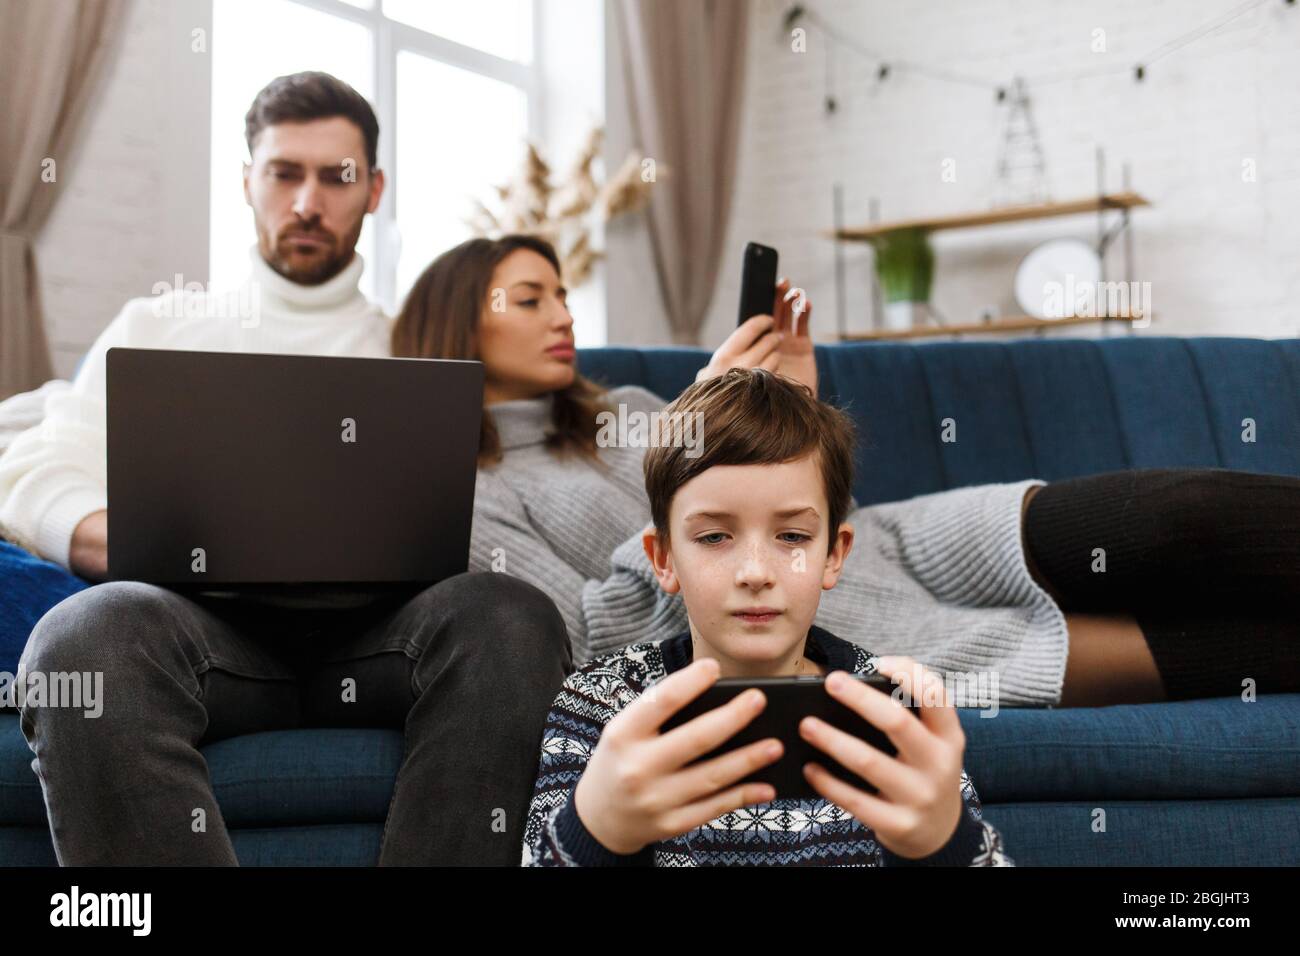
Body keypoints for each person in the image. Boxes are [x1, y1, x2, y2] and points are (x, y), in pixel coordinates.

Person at [0, 73, 571, 865]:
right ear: (246, 182)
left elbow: (538, 445)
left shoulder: (418, 347)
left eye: (335, 178)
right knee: (79, 635)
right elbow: (36, 464)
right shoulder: (161, 327)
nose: (308, 202)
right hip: (203, 640)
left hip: (382, 643)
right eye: (283, 173)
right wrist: (129, 542)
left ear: (373, 190)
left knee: (511, 617)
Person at [392, 233, 1300, 709]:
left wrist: (794, 419)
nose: (562, 314)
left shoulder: (622, 402)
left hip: (896, 541)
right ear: (453, 322)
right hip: (824, 637)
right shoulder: (468, 494)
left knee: (1186, 515)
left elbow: (817, 509)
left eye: (562, 292)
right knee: (1231, 647)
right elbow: (592, 645)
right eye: (529, 297)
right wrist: (700, 434)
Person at [521, 367, 1012, 865]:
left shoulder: (888, 711)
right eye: (714, 537)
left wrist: (943, 846)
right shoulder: (601, 703)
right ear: (663, 557)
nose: (755, 572)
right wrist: (597, 832)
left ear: (833, 554)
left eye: (792, 537)